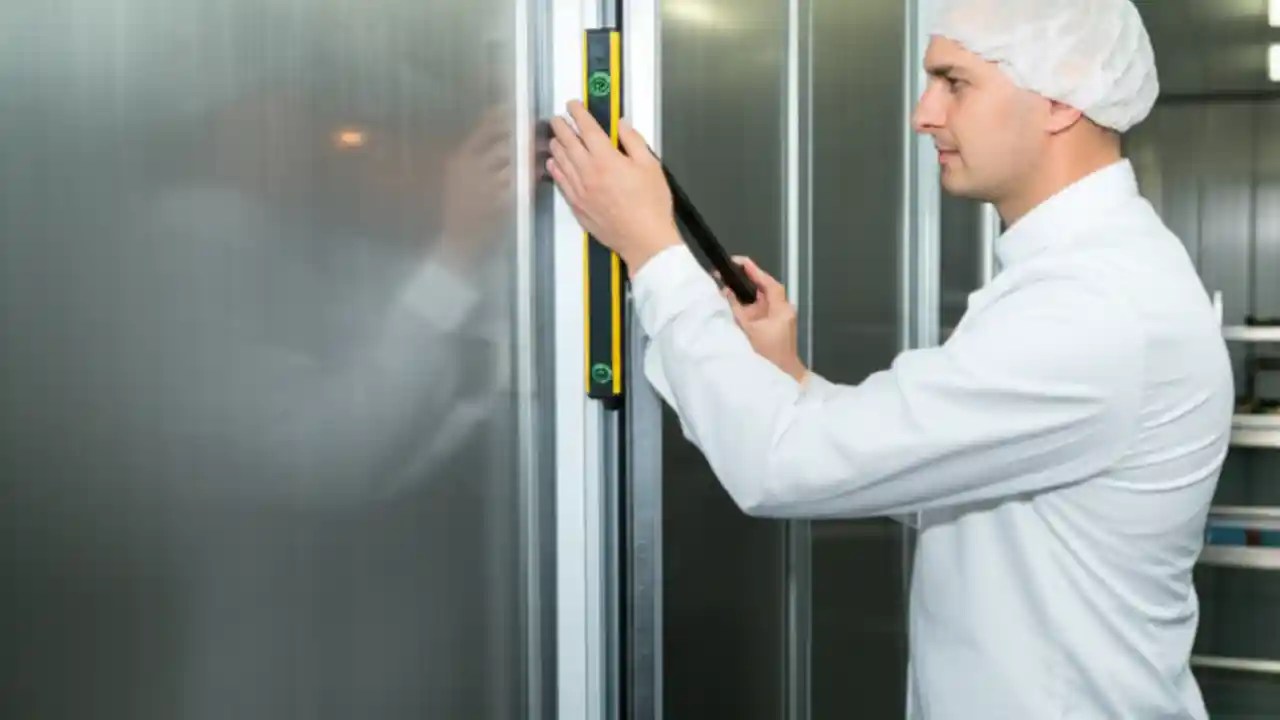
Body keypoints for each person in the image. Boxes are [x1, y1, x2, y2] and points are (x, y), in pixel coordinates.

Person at [546, 0, 1234, 717]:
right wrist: (789, 379)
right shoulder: (1080, 280)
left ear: (1060, 97)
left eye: (954, 82)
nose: (924, 114)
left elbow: (779, 466)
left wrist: (653, 250)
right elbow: (941, 468)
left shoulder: (1092, 310)